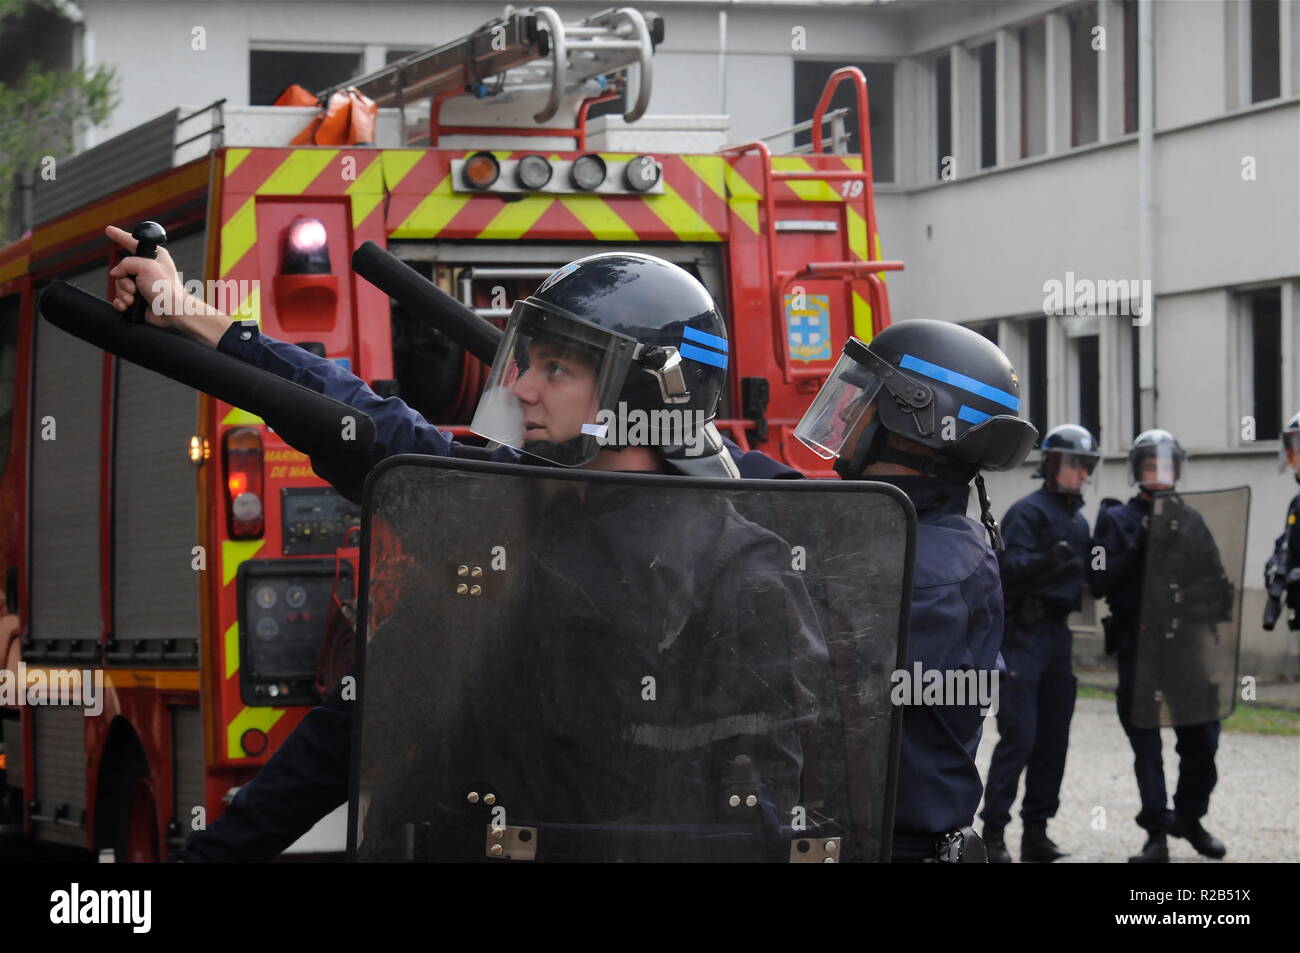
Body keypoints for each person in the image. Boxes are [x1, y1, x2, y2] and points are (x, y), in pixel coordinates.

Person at [103, 227, 820, 860]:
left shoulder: (724, 570)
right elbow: (360, 419)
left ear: (642, 391)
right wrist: (191, 312)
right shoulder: (520, 503)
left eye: (555, 370)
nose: (521, 390)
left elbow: (771, 803)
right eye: (526, 362)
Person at [792, 320, 1038, 862]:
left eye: (864, 400)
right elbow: (793, 497)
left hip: (890, 847)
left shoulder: (935, 563)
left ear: (911, 419)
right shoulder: (889, 522)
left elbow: (814, 678)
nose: (843, 413)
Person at [1089, 429, 1228, 863]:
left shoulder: (1191, 519)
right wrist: (1138, 541)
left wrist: (1189, 598)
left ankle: (1188, 817)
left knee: (1202, 738)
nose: (1159, 474)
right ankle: (1155, 835)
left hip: (1186, 646)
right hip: (1139, 644)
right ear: (1137, 470)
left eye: (1166, 466)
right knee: (1146, 743)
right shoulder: (1114, 519)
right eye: (1151, 466)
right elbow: (1098, 580)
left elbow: (1218, 581)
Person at [979, 424, 1096, 863]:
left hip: (1057, 637)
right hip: (1024, 635)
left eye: (1086, 465)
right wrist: (1048, 561)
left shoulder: (1079, 520)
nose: (1081, 473)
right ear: (1051, 465)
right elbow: (1006, 568)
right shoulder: (1028, 513)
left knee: (1053, 740)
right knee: (1020, 737)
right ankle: (992, 833)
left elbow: (1092, 578)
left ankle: (1037, 833)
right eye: (1074, 463)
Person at [1263, 412, 1300, 634]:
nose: (1293, 455)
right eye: (1294, 447)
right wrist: (1274, 567)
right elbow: (1287, 546)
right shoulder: (1297, 504)